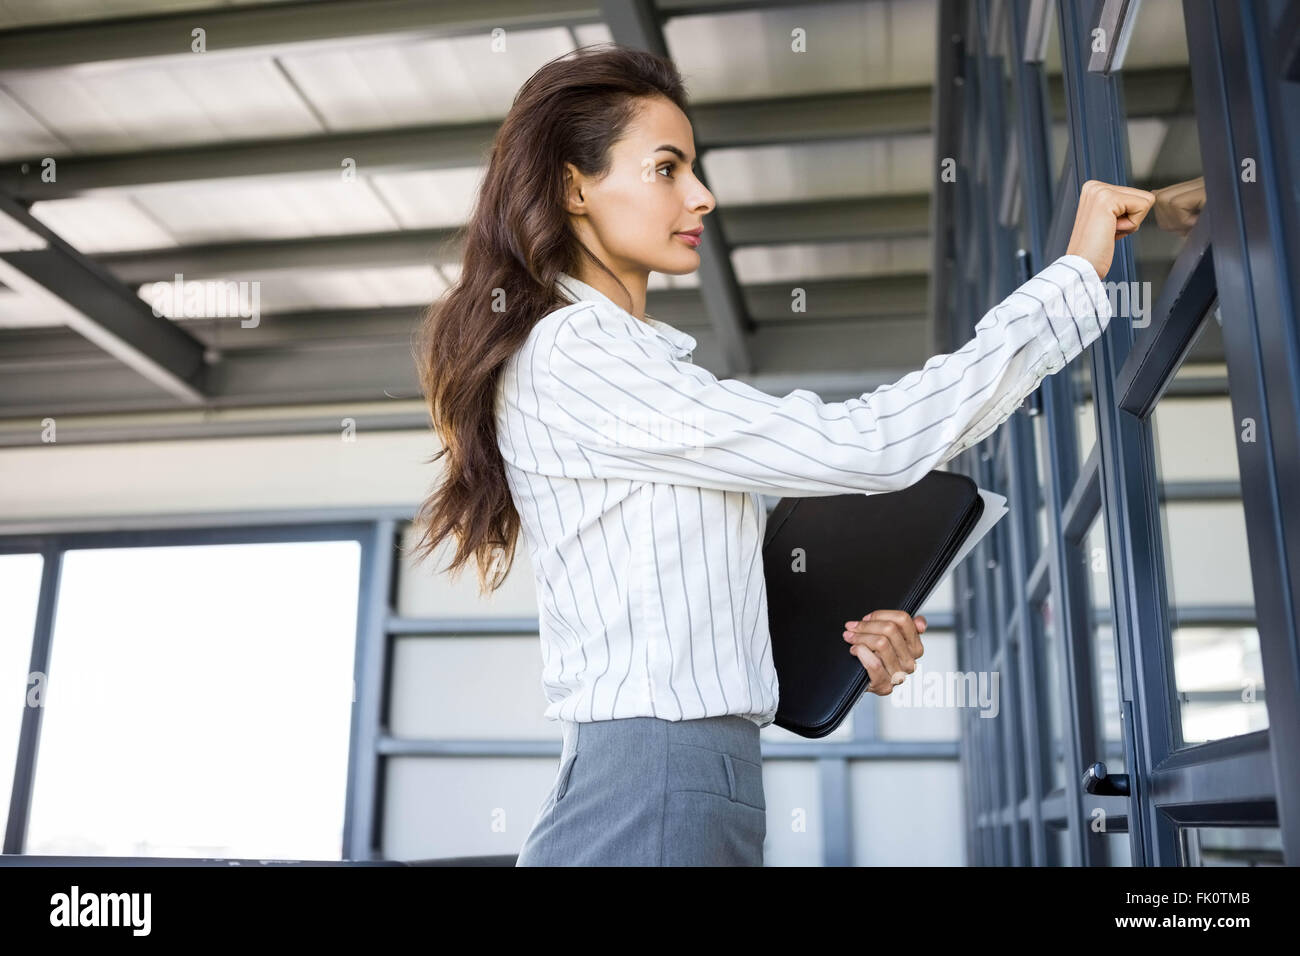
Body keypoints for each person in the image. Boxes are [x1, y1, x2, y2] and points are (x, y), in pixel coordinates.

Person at [408, 43, 1155, 867]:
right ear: (573, 185)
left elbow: (681, 606)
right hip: (656, 782)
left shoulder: (615, 358)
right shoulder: (579, 350)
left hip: (681, 777)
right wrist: (1075, 278)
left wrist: (842, 645)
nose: (702, 196)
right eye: (667, 169)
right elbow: (868, 445)